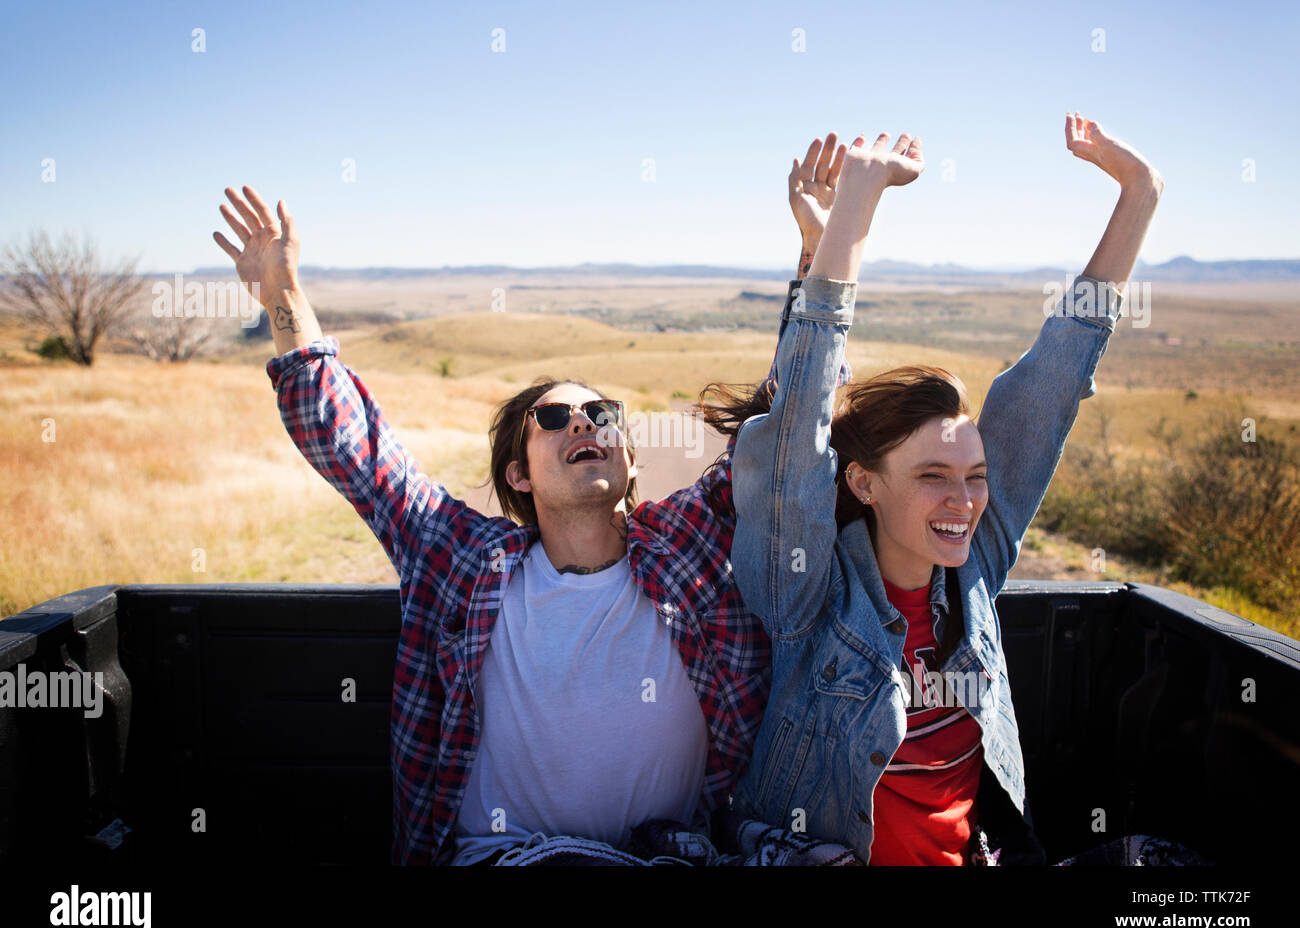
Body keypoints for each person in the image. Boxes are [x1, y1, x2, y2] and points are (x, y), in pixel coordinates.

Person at [209, 159, 859, 864]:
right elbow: (352, 445)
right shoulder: (459, 560)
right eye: (555, 416)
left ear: (631, 459)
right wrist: (282, 294)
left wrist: (816, 251)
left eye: (601, 412)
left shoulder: (691, 544)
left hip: (670, 855)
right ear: (518, 472)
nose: (583, 423)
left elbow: (787, 431)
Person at [703, 114, 1167, 864]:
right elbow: (797, 426)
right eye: (931, 477)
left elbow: (1052, 379)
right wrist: (850, 216)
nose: (965, 499)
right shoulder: (809, 595)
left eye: (975, 477)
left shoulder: (973, 565)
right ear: (864, 483)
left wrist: (1139, 194)